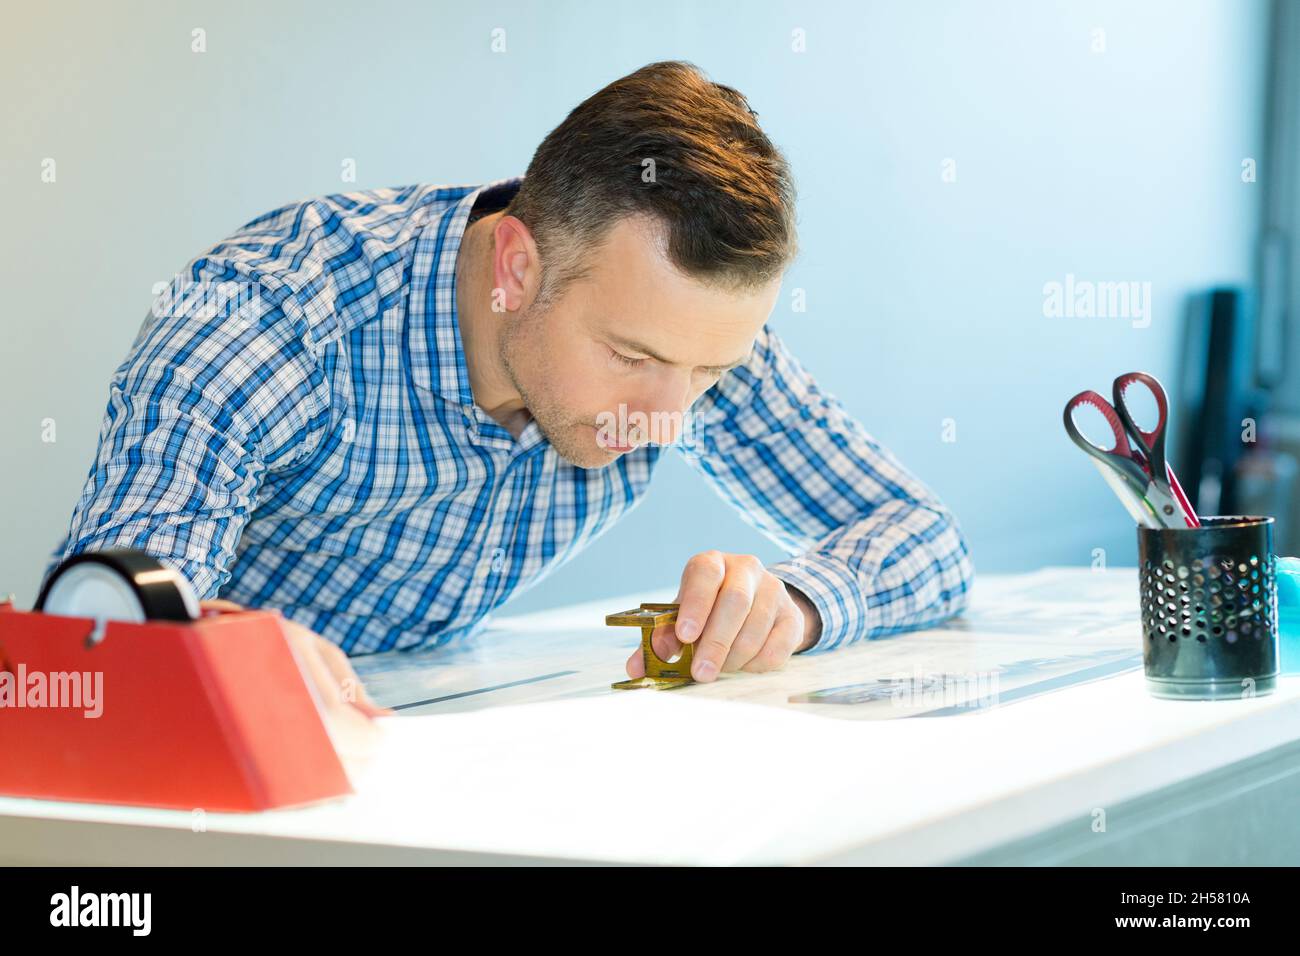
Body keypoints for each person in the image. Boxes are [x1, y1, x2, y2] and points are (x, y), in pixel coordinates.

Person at [45, 61, 974, 725]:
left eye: (711, 375)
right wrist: (218, 648)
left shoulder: (682, 338)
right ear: (517, 269)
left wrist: (796, 604)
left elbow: (925, 537)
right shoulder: (271, 319)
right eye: (630, 355)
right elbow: (96, 631)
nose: (667, 419)